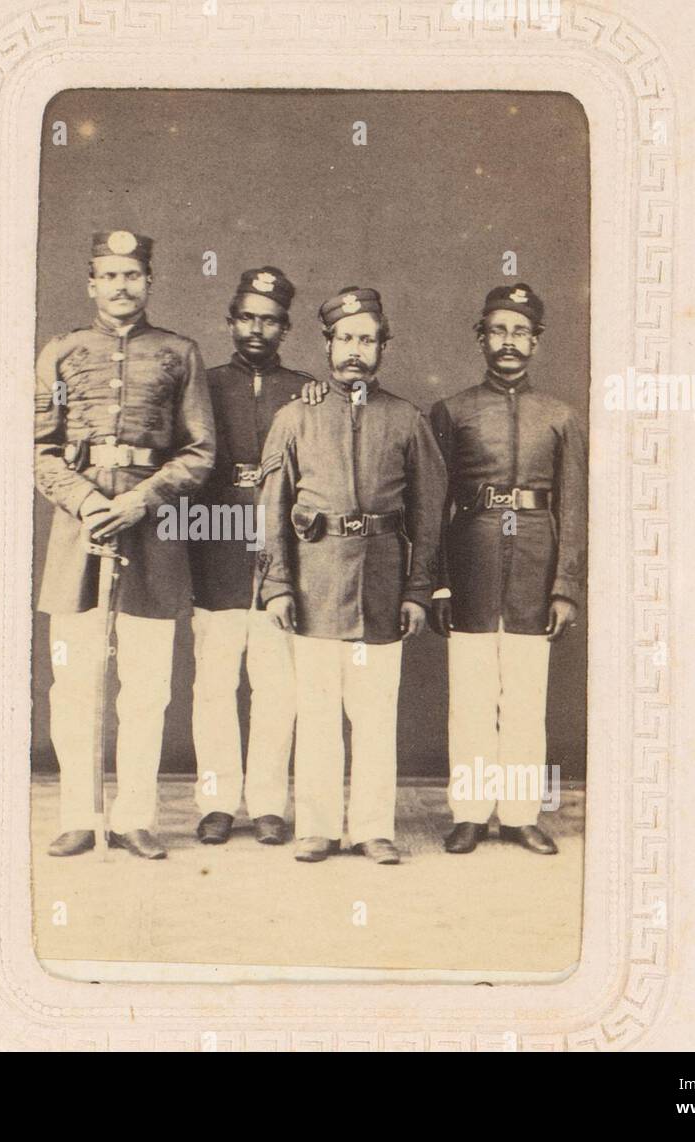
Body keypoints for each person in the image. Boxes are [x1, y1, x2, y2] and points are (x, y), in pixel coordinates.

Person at [33, 229, 215, 860]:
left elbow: (201, 452)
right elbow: (40, 448)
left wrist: (140, 500)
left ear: (149, 282)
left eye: (132, 276)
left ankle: (135, 816)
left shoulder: (178, 353)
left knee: (147, 683)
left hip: (153, 533)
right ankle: (80, 814)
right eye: (109, 276)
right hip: (76, 534)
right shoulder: (61, 352)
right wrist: (87, 503)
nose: (121, 287)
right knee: (73, 681)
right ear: (91, 284)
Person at [257, 288, 447, 864]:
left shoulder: (406, 419)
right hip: (315, 587)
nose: (355, 351)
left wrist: (418, 590)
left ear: (383, 347)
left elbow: (430, 512)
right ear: (328, 344)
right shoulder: (295, 416)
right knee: (315, 713)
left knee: (374, 715)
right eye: (345, 339)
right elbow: (272, 509)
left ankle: (372, 828)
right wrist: (277, 584)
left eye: (367, 339)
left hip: (383, 589)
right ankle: (316, 827)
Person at [426, 283, 588, 855]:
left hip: (535, 569)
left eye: (520, 331)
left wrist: (565, 588)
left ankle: (520, 815)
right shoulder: (452, 412)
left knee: (524, 697)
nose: (509, 342)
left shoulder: (560, 417)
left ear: (537, 342)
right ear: (481, 337)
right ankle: (469, 813)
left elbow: (572, 507)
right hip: (470, 564)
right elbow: (432, 504)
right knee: (470, 696)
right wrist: (439, 581)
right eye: (498, 330)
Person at [188, 267, 314, 847]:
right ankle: (216, 802)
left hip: (278, 557)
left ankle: (267, 803)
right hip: (213, 547)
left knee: (277, 686)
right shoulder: (204, 384)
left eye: (269, 319)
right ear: (230, 322)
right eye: (247, 317)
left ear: (285, 327)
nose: (256, 328)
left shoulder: (306, 389)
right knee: (213, 685)